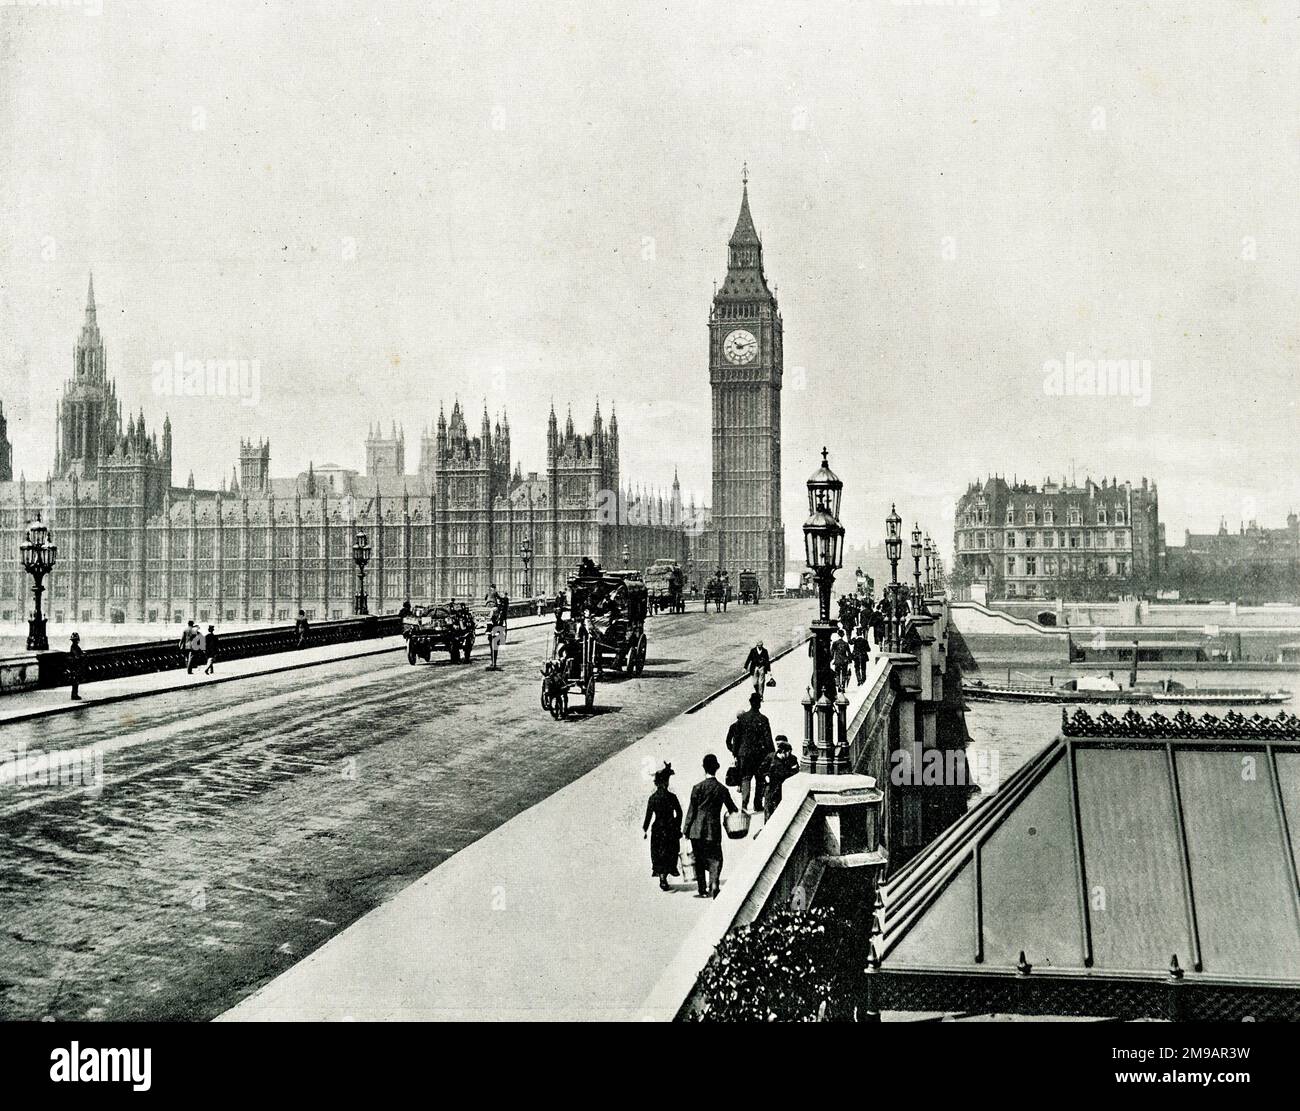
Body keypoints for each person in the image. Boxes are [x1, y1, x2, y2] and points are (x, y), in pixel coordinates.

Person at [683, 753, 737, 899]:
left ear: (704, 768)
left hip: (696, 830)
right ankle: (714, 884)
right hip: (713, 830)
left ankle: (702, 889)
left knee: (699, 860)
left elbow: (691, 811)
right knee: (715, 858)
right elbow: (733, 809)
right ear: (716, 768)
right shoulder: (722, 789)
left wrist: (686, 830)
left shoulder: (697, 788)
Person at [732, 692, 775, 813]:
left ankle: (744, 805)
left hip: (744, 755)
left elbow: (737, 738)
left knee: (745, 779)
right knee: (760, 779)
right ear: (759, 704)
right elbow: (768, 739)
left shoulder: (742, 718)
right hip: (759, 755)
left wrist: (735, 754)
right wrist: (772, 753)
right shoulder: (763, 719)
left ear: (750, 703)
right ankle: (757, 804)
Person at [642, 763, 682, 891]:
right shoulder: (672, 797)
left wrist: (645, 829)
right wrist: (676, 824)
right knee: (670, 851)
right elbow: (679, 813)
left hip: (658, 828)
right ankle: (669, 872)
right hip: (670, 827)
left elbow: (648, 816)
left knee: (658, 853)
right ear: (666, 782)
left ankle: (662, 878)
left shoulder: (653, 798)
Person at [758, 737, 800, 821]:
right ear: (783, 752)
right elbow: (761, 770)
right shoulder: (770, 757)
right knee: (769, 813)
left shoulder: (792, 759)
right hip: (771, 790)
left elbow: (794, 772)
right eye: (789, 752)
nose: (790, 754)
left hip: (784, 791)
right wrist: (765, 776)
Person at [68, 631, 84, 701]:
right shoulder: (74, 647)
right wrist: (81, 655)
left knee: (76, 681)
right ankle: (74, 695)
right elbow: (77, 656)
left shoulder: (75, 647)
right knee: (75, 681)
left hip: (75, 666)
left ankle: (75, 694)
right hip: (75, 666)